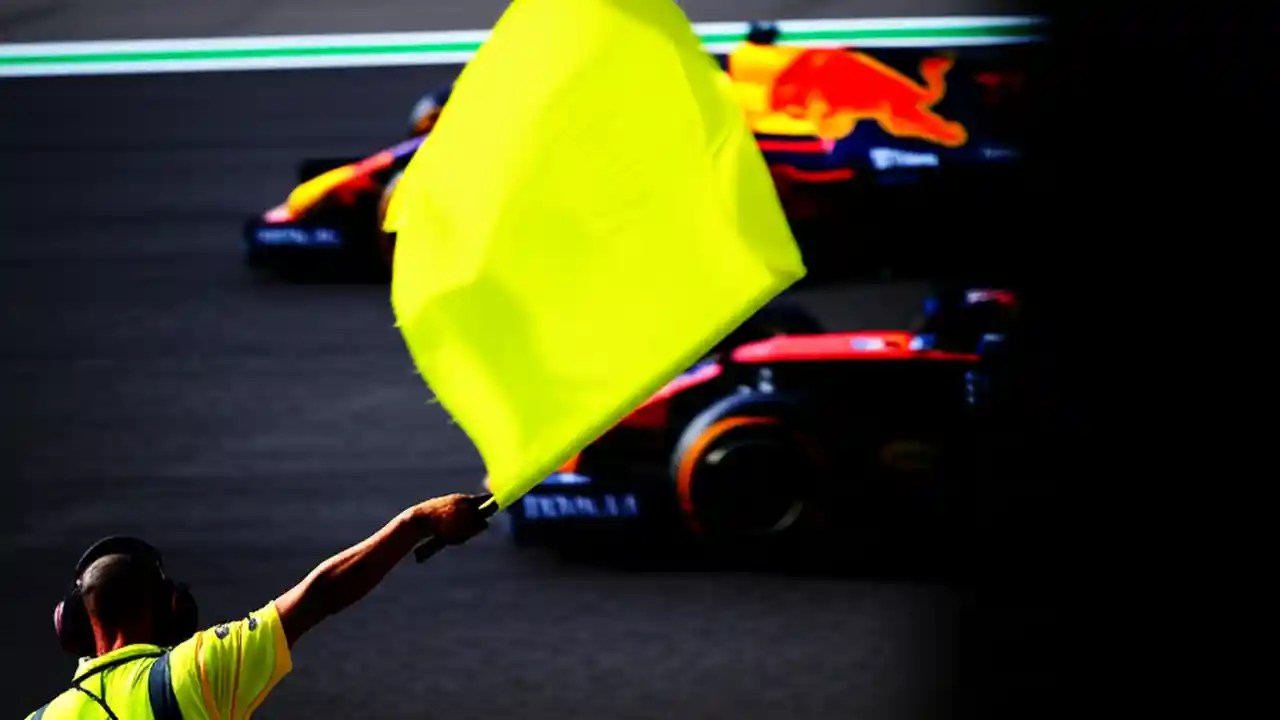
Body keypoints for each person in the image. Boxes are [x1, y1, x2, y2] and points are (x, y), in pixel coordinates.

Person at [26, 493, 492, 720]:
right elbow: (320, 595)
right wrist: (417, 522)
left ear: (75, 624)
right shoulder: (199, 671)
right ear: (171, 608)